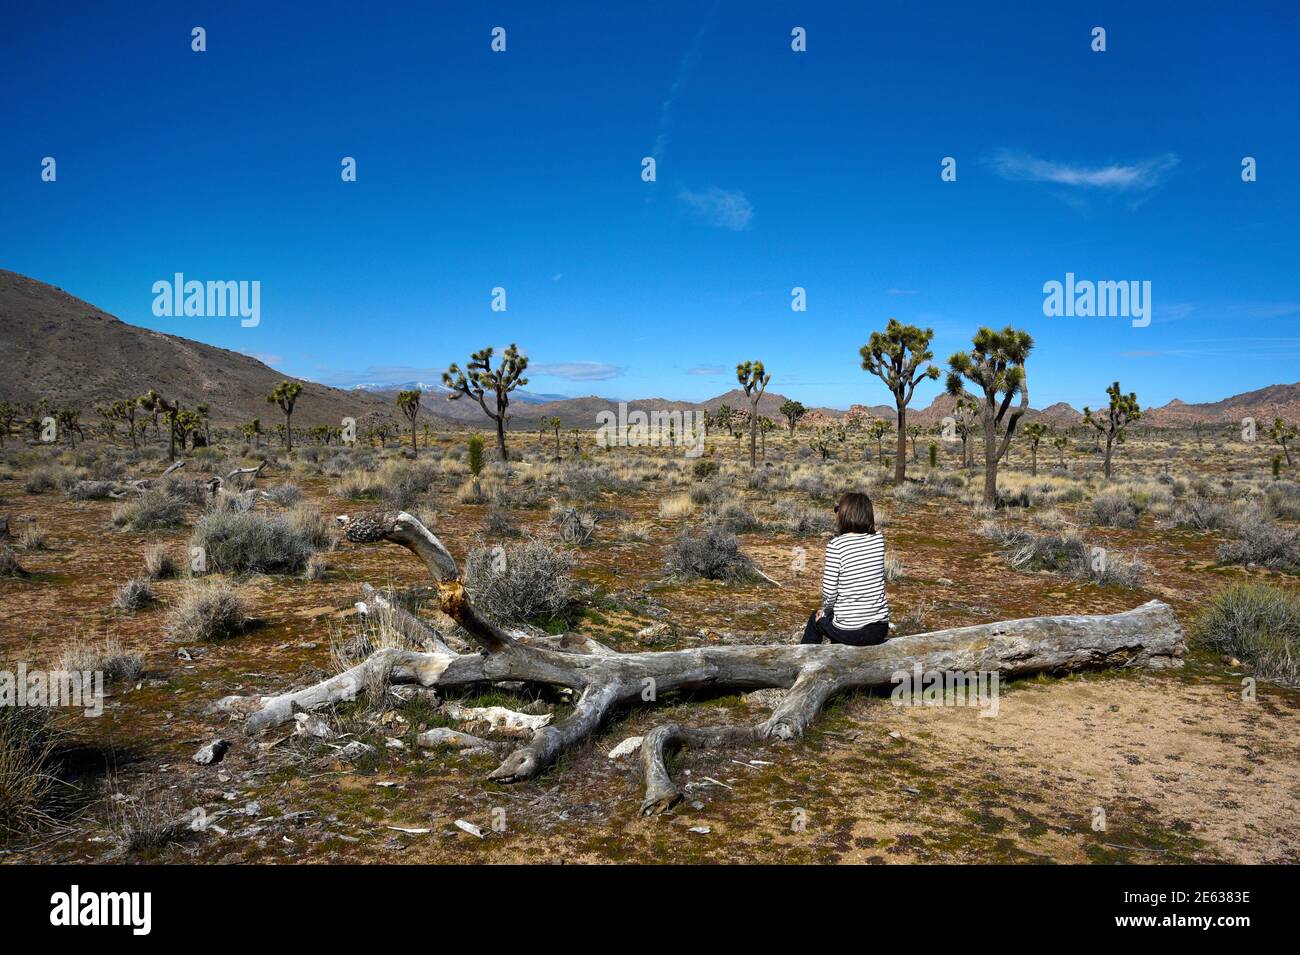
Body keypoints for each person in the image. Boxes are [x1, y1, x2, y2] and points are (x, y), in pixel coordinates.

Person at [801, 491, 890, 646]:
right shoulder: (878, 540)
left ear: (845, 515)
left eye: (838, 510)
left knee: (815, 620)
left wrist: (825, 612)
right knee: (839, 619)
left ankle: (802, 660)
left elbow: (830, 593)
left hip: (851, 631)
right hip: (879, 628)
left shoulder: (836, 546)